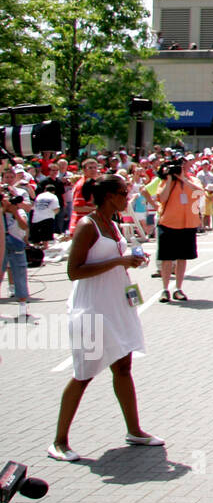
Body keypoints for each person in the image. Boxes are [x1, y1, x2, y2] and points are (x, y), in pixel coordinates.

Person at [49, 175, 162, 461]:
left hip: (117, 304)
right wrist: (119, 261)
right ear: (111, 196)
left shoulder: (111, 223)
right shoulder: (88, 226)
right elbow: (74, 271)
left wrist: (133, 260)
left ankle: (134, 430)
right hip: (92, 308)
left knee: (124, 367)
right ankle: (59, 442)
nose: (129, 197)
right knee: (83, 375)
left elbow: (116, 260)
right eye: (125, 192)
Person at [155, 157, 202, 303]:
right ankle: (165, 289)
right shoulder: (165, 182)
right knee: (167, 259)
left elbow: (200, 193)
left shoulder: (192, 180)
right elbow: (162, 198)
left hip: (187, 224)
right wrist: (170, 180)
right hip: (169, 223)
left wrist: (184, 179)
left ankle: (178, 288)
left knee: (182, 258)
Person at [3, 188, 33, 321]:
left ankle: (22, 309)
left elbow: (24, 226)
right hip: (2, 246)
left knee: (20, 275)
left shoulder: (19, 212)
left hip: (16, 245)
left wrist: (15, 212)